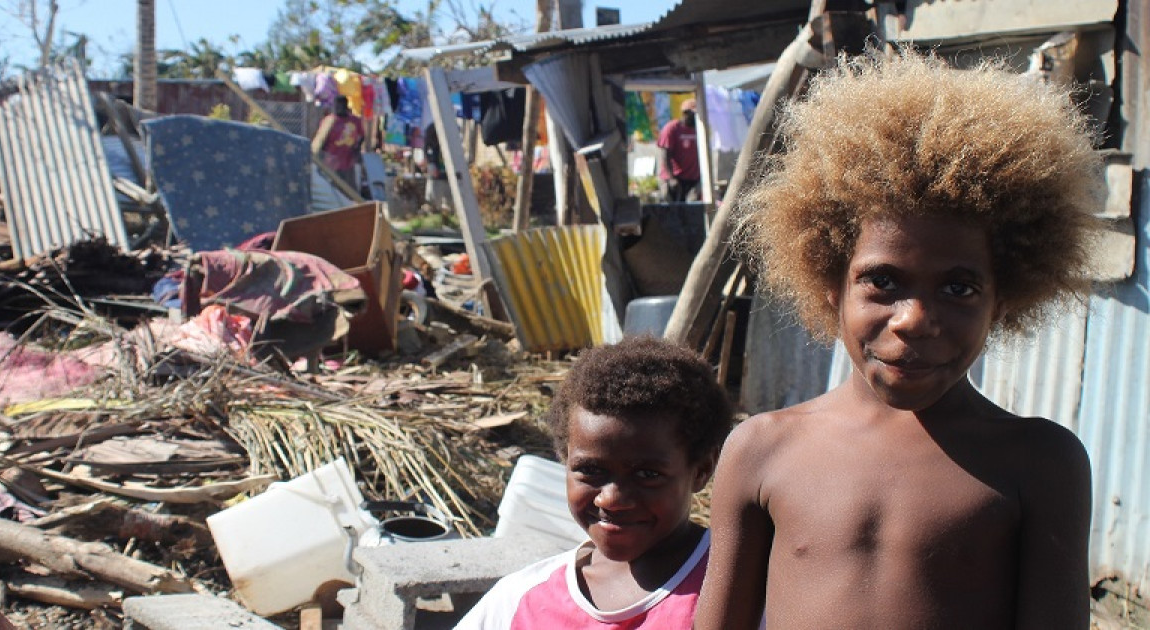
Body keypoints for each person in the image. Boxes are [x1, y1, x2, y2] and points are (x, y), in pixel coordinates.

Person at [694, 50, 1101, 630]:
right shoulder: (760, 450)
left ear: (1004, 299)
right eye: (882, 281)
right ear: (829, 282)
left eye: (959, 287)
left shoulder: (1039, 463)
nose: (913, 319)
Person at [455, 336, 734, 629]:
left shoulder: (737, 592)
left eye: (647, 475)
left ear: (702, 470)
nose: (610, 499)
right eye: (590, 470)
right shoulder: (522, 600)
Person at [311, 95, 364, 190]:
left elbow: (361, 136)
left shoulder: (355, 120)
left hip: (348, 161)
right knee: (332, 188)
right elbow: (320, 139)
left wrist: (357, 148)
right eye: (336, 107)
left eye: (340, 107)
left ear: (346, 107)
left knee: (350, 189)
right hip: (331, 160)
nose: (338, 109)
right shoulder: (329, 120)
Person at [657, 98, 701, 202]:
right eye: (693, 114)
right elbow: (665, 155)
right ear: (685, 113)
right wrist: (671, 178)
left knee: (692, 210)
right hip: (675, 178)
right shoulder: (672, 128)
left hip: (693, 178)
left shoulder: (699, 129)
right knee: (672, 210)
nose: (696, 117)